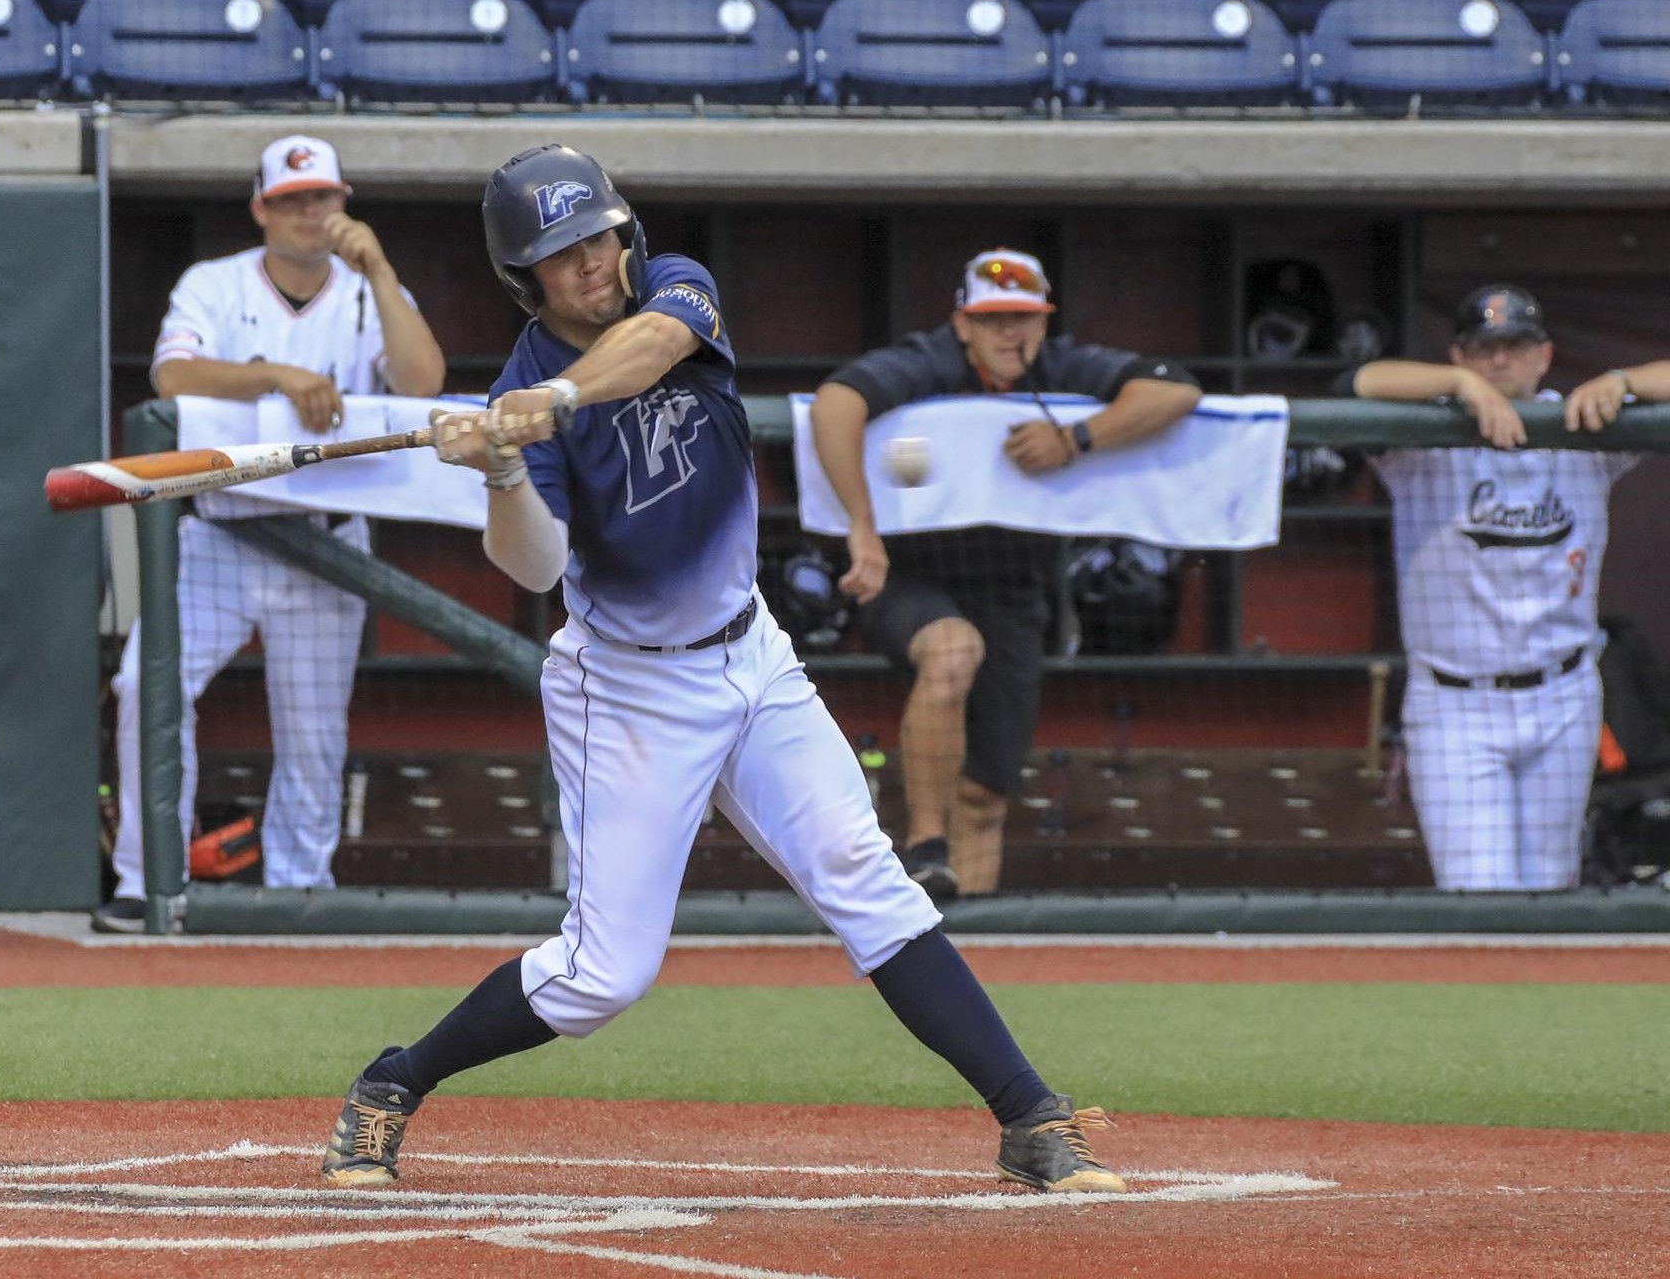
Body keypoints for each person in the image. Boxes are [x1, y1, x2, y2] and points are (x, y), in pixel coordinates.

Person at [318, 145, 1127, 1195]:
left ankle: (1030, 1117)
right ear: (526, 278)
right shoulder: (520, 391)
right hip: (631, 684)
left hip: (755, 652)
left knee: (869, 881)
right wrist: (507, 464)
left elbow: (651, 347)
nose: (591, 264)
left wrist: (551, 400)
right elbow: (538, 565)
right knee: (605, 976)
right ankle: (392, 1084)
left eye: (600, 236)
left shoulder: (671, 287)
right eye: (561, 255)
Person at [93, 135, 445, 932]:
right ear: (260, 208)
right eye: (290, 200)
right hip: (222, 530)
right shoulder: (214, 284)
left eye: (321, 197)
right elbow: (171, 377)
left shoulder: (367, 291)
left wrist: (383, 272)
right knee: (143, 685)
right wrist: (277, 376)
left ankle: (299, 887)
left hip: (326, 541)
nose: (308, 213)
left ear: (343, 203)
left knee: (314, 727)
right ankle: (147, 879)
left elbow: (422, 383)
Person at [808, 250, 1201, 900]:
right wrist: (862, 524)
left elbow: (1176, 389)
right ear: (963, 324)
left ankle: (972, 952)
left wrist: (1076, 437)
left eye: (1025, 318)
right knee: (954, 650)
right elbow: (834, 405)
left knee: (988, 794)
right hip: (910, 575)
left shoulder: (1058, 366)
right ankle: (925, 848)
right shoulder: (927, 360)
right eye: (994, 321)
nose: (1011, 334)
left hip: (1016, 587)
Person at [1345, 284, 1667, 890]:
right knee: (1479, 893)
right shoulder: (1424, 440)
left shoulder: (1581, 428)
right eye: (1484, 350)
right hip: (1455, 702)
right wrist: (1458, 389)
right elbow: (1354, 385)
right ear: (1460, 356)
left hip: (1563, 694)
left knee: (1550, 890)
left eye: (1515, 346)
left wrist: (1625, 381)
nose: (1500, 362)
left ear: (1543, 355)